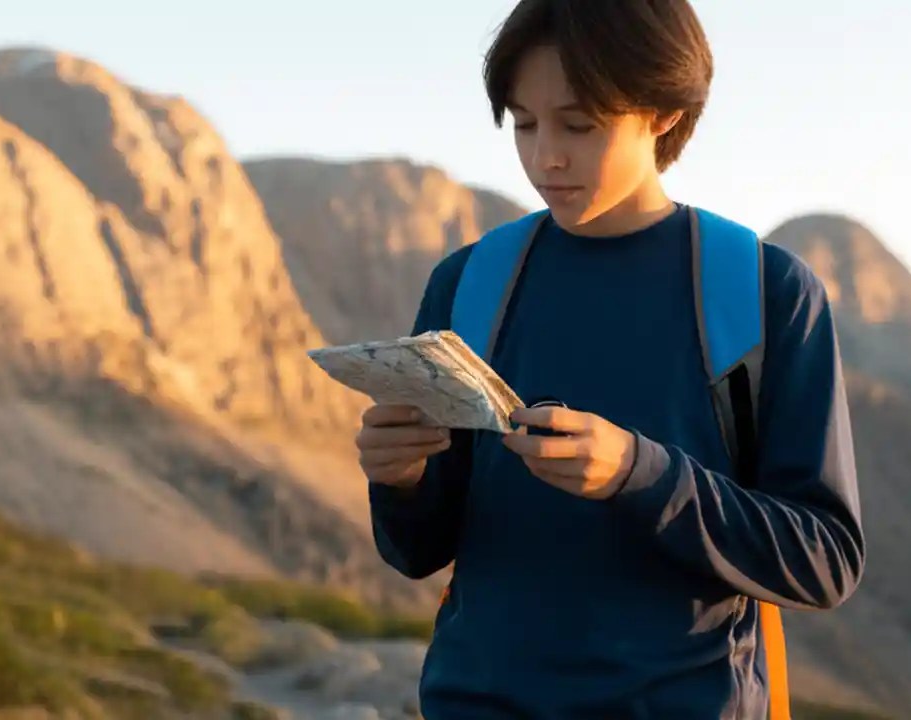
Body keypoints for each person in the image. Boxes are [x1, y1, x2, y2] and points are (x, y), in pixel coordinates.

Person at [359, 1, 866, 718]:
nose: (545, 158)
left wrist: (641, 474)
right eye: (524, 124)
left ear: (662, 111)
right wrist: (401, 479)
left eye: (579, 124)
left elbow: (824, 559)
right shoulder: (471, 282)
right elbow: (418, 552)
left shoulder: (762, 290)